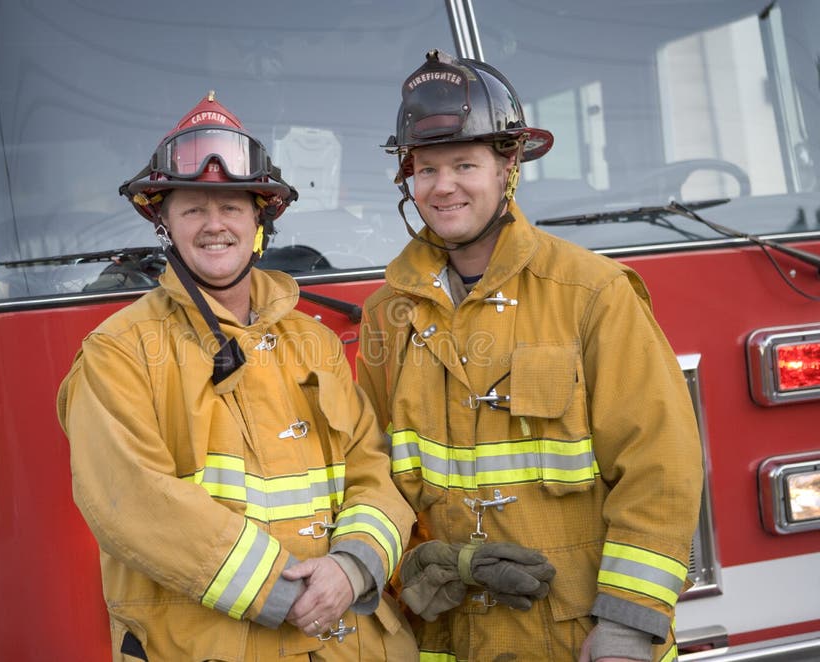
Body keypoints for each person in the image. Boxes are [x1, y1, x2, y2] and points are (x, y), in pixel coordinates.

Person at [355, 50, 704, 661]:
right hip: (450, 637)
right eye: (428, 169)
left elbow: (661, 465)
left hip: (580, 635)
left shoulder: (592, 293)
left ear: (508, 167)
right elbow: (369, 469)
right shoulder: (388, 314)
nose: (444, 186)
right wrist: (412, 566)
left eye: (465, 164)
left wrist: (629, 624)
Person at [57, 92, 418, 661]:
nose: (214, 225)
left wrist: (352, 567)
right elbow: (133, 500)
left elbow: (373, 470)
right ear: (164, 223)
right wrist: (281, 590)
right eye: (193, 208)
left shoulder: (314, 342)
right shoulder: (117, 353)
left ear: (260, 220)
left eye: (231, 206)